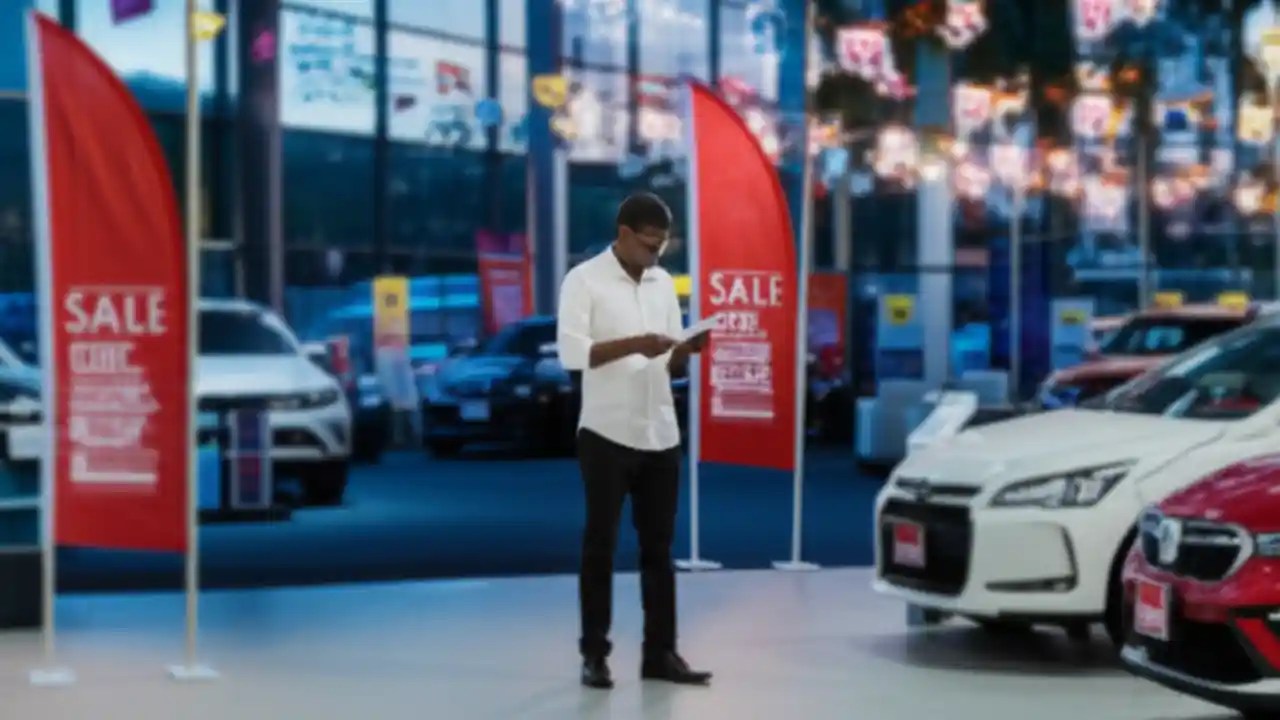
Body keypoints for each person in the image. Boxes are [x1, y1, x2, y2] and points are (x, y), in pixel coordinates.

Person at [556, 193, 713, 689]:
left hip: (660, 430)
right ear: (624, 233)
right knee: (600, 547)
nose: (656, 256)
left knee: (659, 551)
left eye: (662, 247)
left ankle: (660, 654)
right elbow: (571, 353)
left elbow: (668, 361)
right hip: (606, 432)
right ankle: (594, 655)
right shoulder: (583, 281)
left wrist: (685, 350)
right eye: (649, 246)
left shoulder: (663, 283)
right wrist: (635, 344)